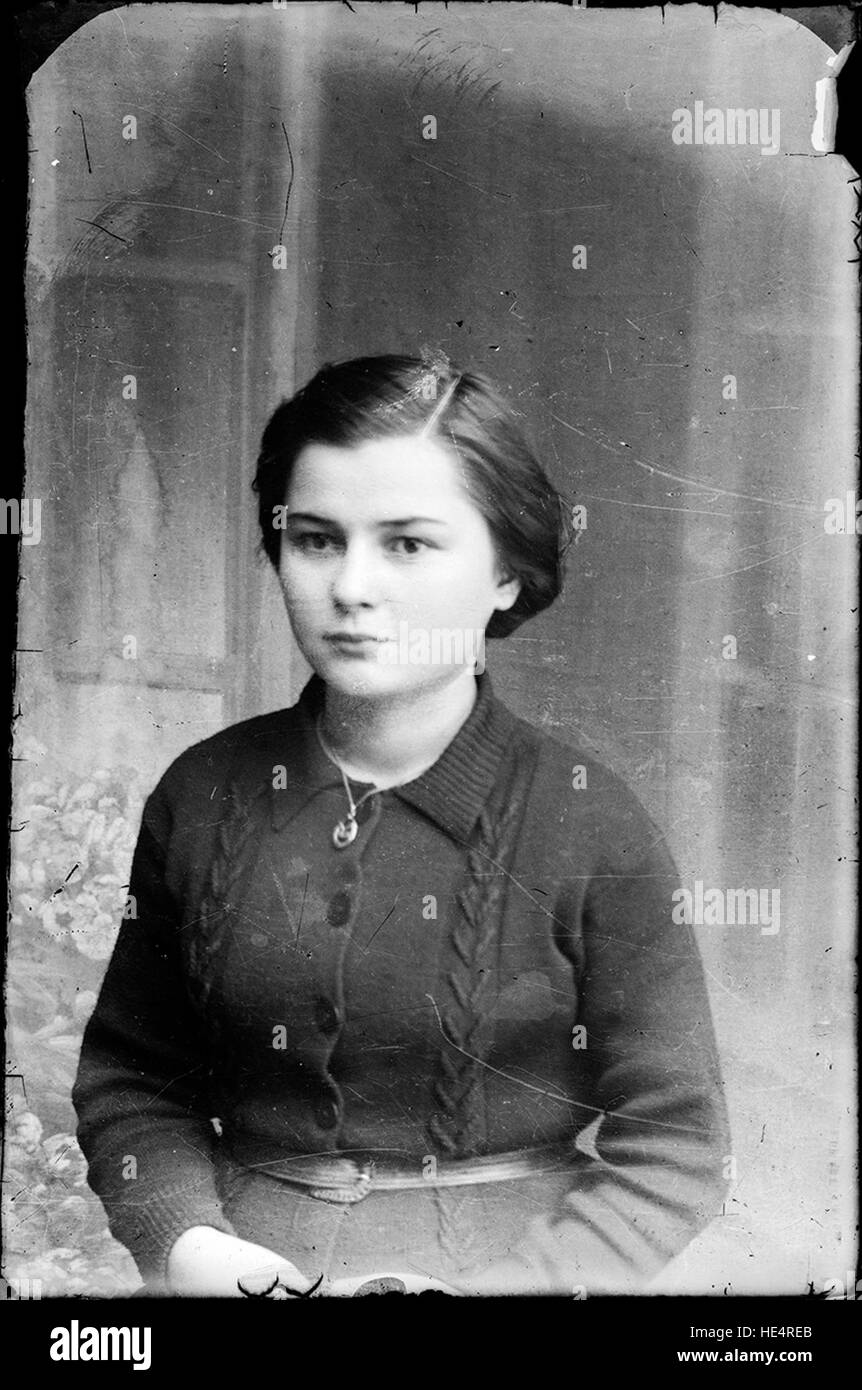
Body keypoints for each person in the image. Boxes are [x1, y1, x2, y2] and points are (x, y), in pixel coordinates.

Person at [72, 354, 730, 1296]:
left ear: (507, 573)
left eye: (409, 544)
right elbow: (131, 1083)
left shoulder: (590, 820)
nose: (352, 587)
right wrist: (194, 1250)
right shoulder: (203, 791)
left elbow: (678, 1146)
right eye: (316, 540)